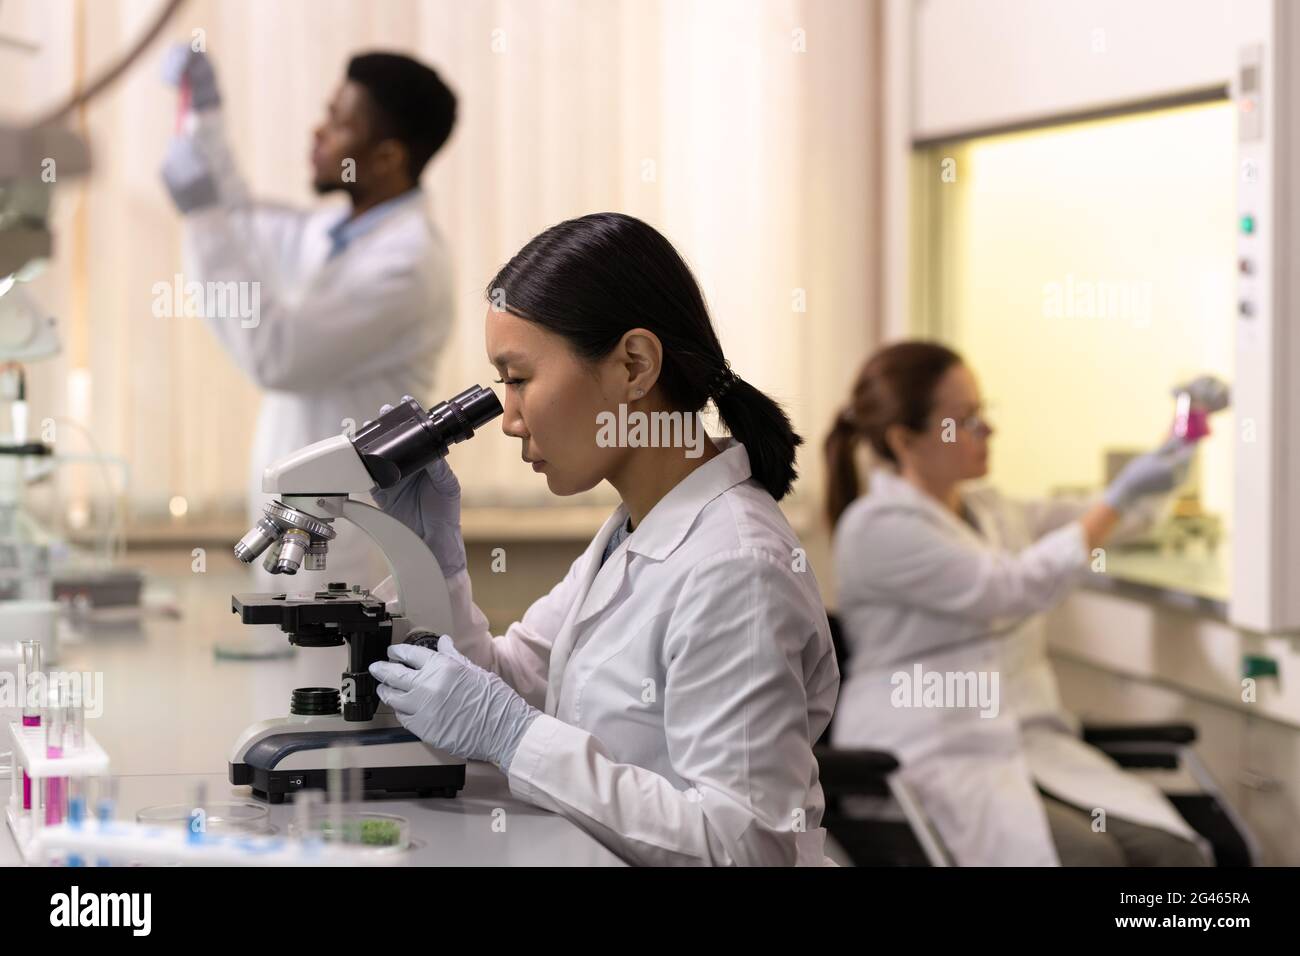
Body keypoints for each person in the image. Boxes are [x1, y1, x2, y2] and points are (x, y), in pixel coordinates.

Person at [367, 212, 839, 866]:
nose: (507, 419)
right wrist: (433, 562)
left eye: (519, 378)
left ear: (635, 365)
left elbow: (748, 844)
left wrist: (514, 737)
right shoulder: (635, 528)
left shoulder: (737, 567)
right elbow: (512, 682)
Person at [824, 340, 1209, 866]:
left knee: (1174, 853)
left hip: (1023, 745)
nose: (988, 430)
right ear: (905, 440)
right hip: (929, 757)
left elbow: (1120, 520)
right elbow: (1006, 590)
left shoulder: (992, 509)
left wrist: (1181, 441)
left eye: (983, 412)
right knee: (1089, 858)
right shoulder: (876, 528)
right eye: (965, 418)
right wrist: (1115, 499)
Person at [160, 47, 456, 599]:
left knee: (329, 679)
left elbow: (279, 356)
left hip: (344, 541)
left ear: (389, 156)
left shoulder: (407, 264)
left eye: (341, 123)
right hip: (295, 526)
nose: (318, 133)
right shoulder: (334, 231)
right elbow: (241, 224)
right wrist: (204, 115)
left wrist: (200, 215)